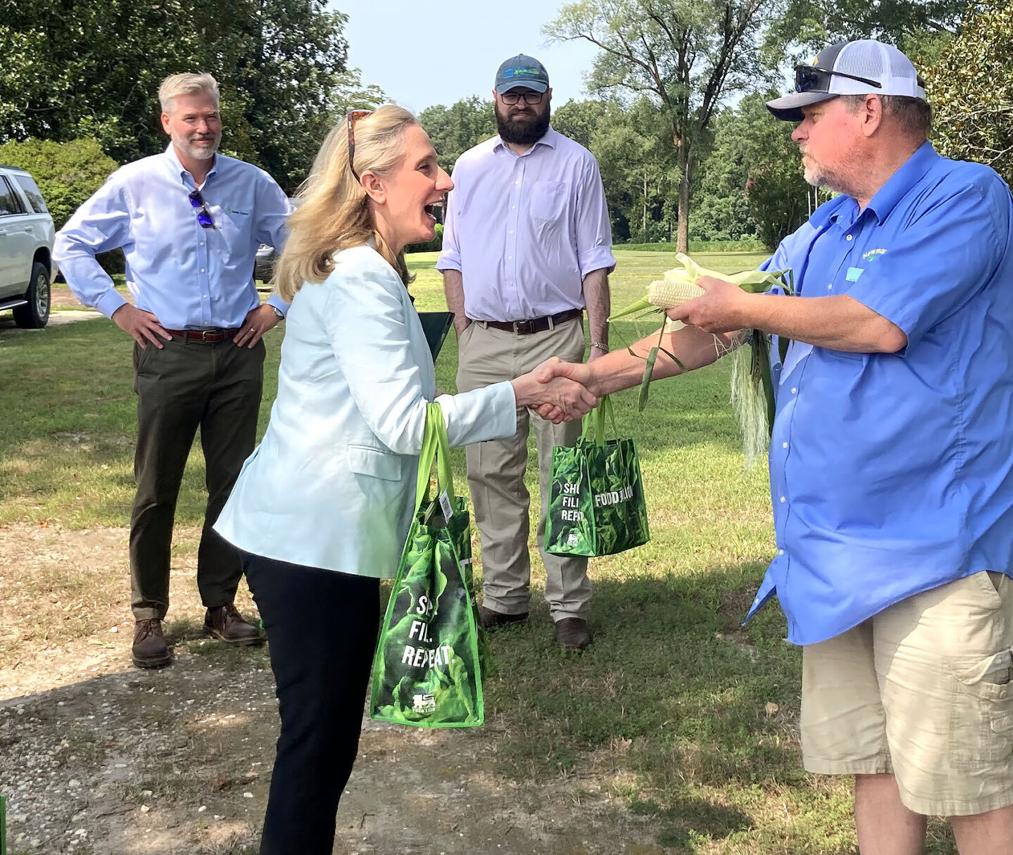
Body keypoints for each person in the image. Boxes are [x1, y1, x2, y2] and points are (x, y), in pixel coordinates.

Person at [541, 39, 1013, 855]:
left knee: (968, 781)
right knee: (872, 767)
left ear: (868, 110)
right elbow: (717, 330)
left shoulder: (965, 196)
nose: (796, 134)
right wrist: (597, 376)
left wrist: (742, 305)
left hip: (938, 550)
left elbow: (876, 322)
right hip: (834, 559)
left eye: (808, 116)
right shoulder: (823, 230)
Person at [212, 105, 595, 854]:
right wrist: (519, 393)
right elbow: (401, 422)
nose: (446, 179)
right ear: (372, 182)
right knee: (316, 750)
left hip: (318, 541)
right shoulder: (359, 275)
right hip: (309, 543)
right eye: (428, 166)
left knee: (323, 747)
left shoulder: (369, 266)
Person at [53, 72, 291, 668]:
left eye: (210, 116)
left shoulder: (252, 183)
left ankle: (220, 604)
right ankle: (148, 614)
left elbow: (302, 247)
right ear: (167, 122)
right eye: (190, 118)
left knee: (232, 484)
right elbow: (71, 244)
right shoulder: (134, 185)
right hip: (168, 352)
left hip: (238, 351)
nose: (203, 127)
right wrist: (117, 307)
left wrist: (276, 307)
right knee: (156, 487)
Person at [437, 54, 616, 650]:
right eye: (512, 96)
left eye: (531, 96)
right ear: (494, 98)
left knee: (564, 471)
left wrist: (596, 346)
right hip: (484, 341)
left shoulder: (576, 163)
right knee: (490, 474)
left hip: (558, 337)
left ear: (548, 98)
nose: (521, 105)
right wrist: (464, 328)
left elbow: (594, 258)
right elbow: (453, 256)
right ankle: (506, 597)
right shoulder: (466, 167)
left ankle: (569, 603)